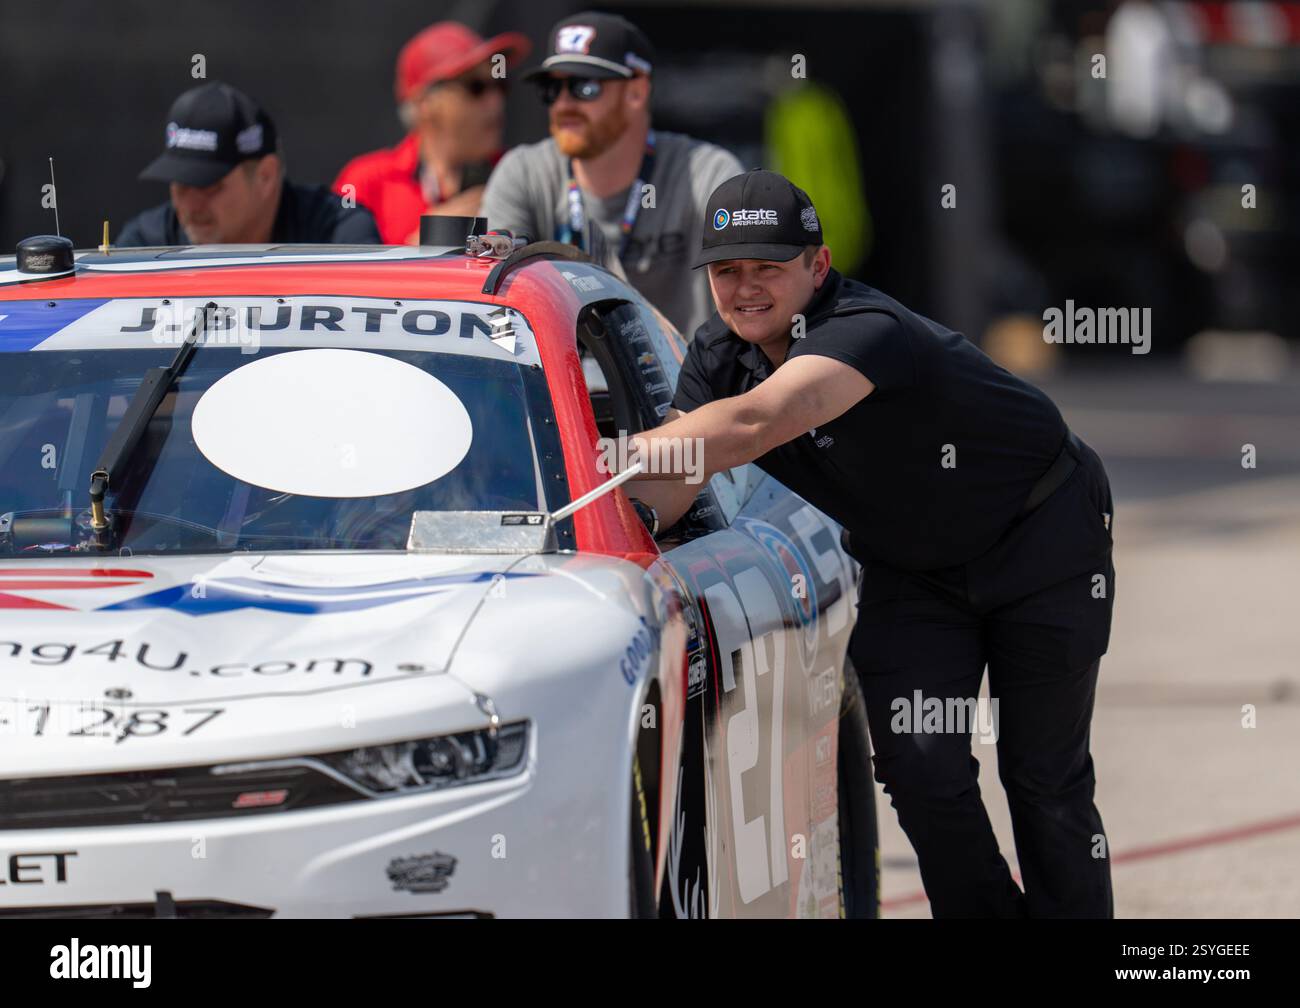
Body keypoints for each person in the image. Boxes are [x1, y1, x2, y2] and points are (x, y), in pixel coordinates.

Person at [628, 170, 1116, 919]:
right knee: (920, 767)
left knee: (1044, 777)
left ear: (817, 268)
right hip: (913, 567)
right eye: (728, 271)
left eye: (769, 268)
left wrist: (615, 453)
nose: (746, 288)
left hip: (1041, 537)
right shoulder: (717, 355)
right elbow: (673, 485)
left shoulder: (865, 328)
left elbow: (759, 421)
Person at [480, 11, 743, 337]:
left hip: (684, 382)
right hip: (562, 383)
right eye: (551, 88)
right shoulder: (522, 172)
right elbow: (492, 300)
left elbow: (750, 297)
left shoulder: (706, 172)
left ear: (636, 92)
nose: (562, 104)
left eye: (583, 87)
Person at [333, 21, 530, 245]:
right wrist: (422, 247)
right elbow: (339, 274)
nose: (496, 102)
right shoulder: (366, 182)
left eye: (501, 86)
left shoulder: (518, 176)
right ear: (424, 102)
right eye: (476, 88)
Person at [118, 82, 379, 246]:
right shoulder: (145, 245)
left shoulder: (336, 235)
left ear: (266, 176)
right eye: (182, 186)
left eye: (210, 186)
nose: (192, 206)